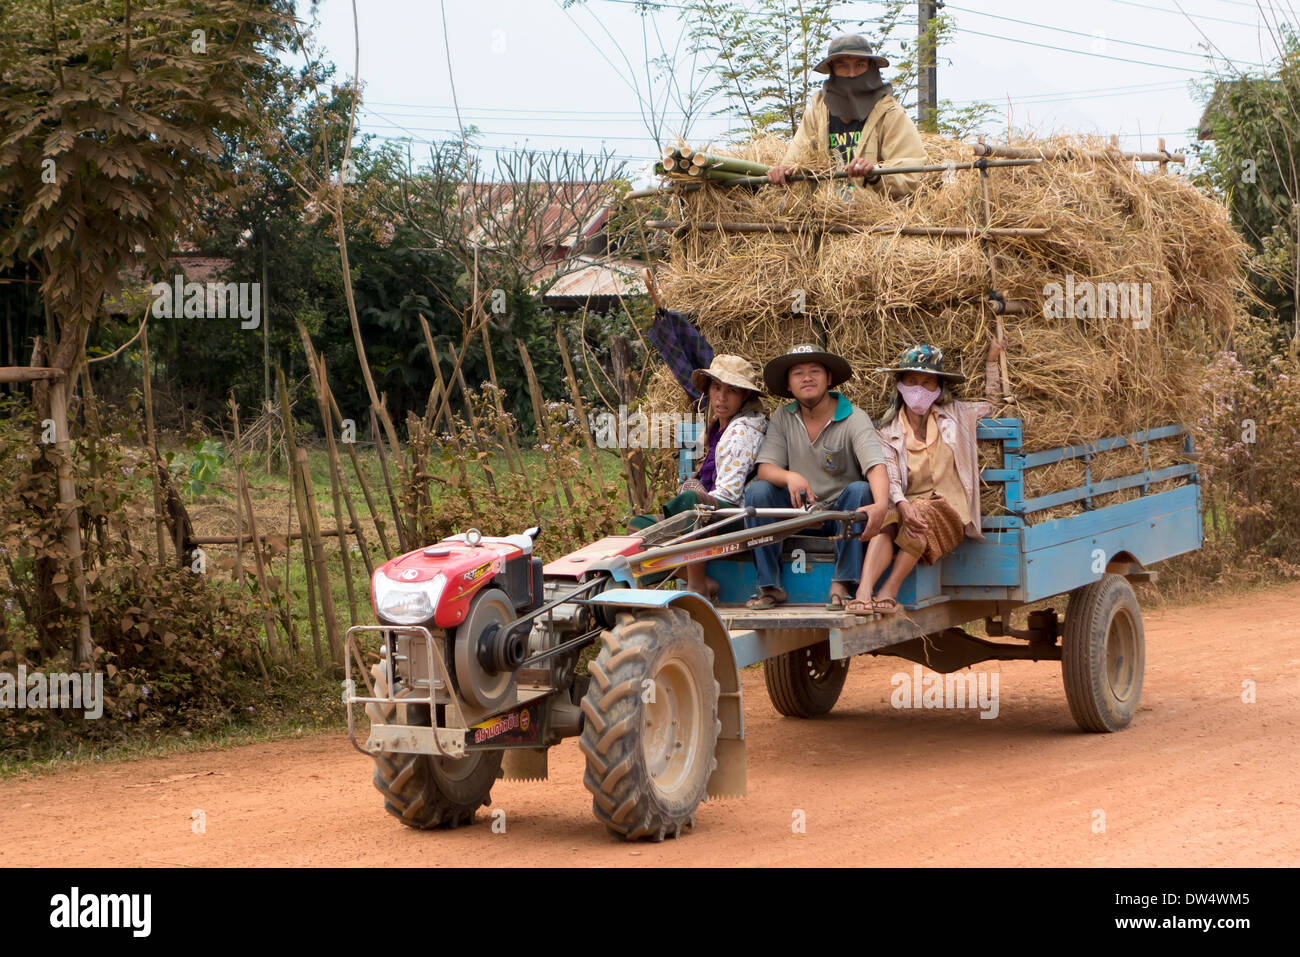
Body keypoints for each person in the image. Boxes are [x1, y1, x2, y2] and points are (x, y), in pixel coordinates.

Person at [848, 340, 1007, 615]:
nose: (919, 390)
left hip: (951, 512)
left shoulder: (957, 415)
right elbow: (892, 478)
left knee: (919, 513)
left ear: (939, 388)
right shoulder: (887, 431)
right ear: (900, 385)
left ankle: (889, 591)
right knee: (887, 520)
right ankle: (864, 591)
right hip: (907, 507)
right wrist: (900, 505)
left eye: (928, 383)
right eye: (912, 381)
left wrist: (992, 362)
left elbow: (994, 405)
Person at [742, 344, 890, 610]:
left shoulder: (854, 418)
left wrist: (881, 504)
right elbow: (765, 468)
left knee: (859, 490)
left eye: (814, 371)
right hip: (797, 510)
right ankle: (770, 586)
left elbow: (875, 466)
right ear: (789, 384)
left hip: (838, 515)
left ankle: (843, 583)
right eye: (798, 373)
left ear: (829, 378)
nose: (806, 378)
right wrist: (789, 477)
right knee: (757, 492)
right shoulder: (783, 417)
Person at [629, 353, 768, 597]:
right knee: (638, 529)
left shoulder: (742, 432)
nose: (721, 397)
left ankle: (696, 586)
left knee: (692, 501)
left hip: (739, 516)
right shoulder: (720, 428)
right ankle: (700, 579)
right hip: (715, 514)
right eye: (716, 388)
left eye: (731, 391)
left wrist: (693, 495)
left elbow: (730, 494)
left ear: (745, 395)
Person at [766, 34, 927, 200]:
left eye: (859, 65)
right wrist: (782, 171)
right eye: (842, 66)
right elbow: (795, 162)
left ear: (871, 68)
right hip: (825, 212)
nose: (851, 74)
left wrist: (875, 174)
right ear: (832, 70)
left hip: (872, 216)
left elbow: (910, 174)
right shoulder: (817, 114)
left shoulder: (890, 115)